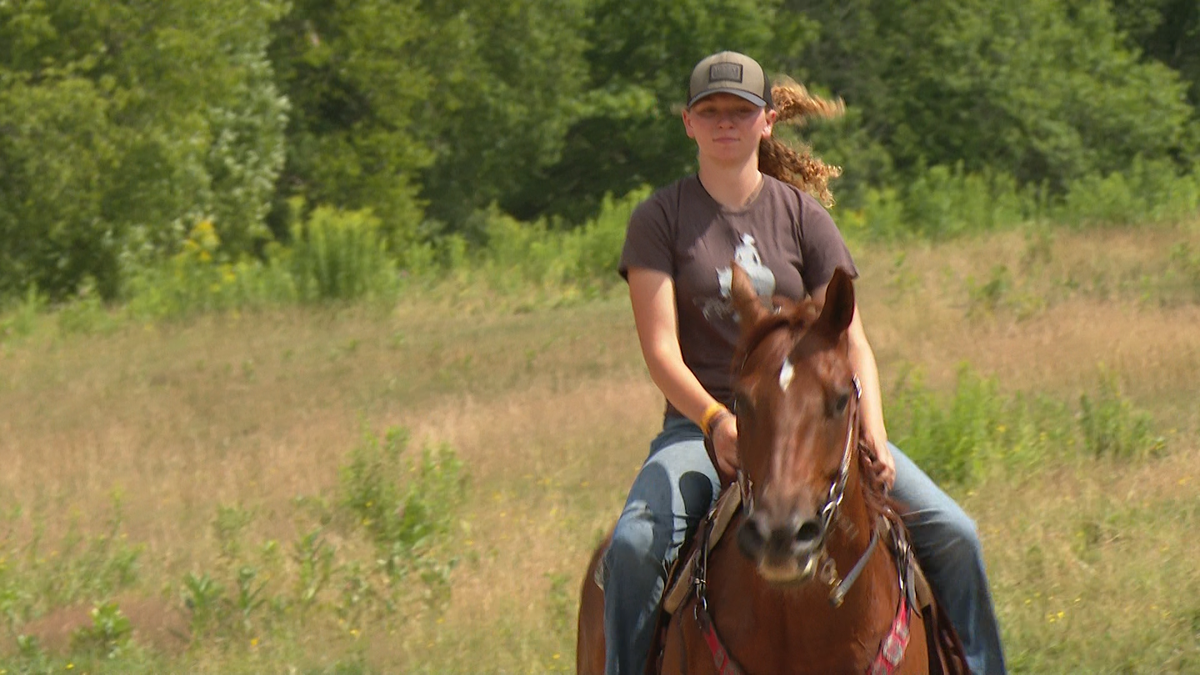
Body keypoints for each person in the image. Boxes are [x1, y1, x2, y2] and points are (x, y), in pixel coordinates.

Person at [604, 51, 1007, 675]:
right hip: (705, 427)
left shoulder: (803, 216)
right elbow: (661, 351)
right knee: (633, 546)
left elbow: (853, 342)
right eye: (710, 112)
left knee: (957, 534)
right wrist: (716, 420)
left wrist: (871, 428)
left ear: (767, 121)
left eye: (740, 111)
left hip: (818, 425)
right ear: (688, 122)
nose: (725, 123)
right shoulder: (660, 219)